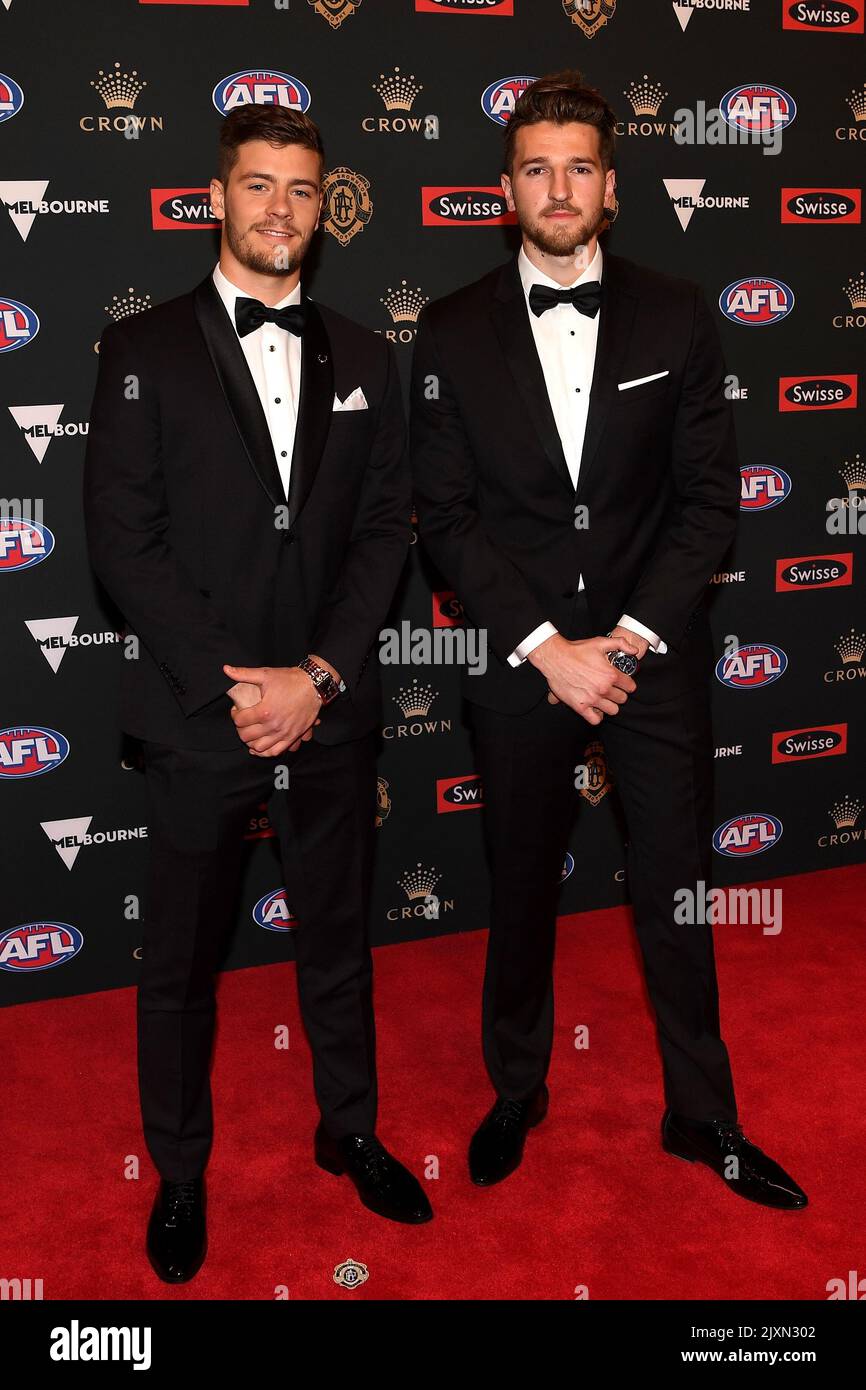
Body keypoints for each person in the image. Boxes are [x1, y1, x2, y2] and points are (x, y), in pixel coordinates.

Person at [409, 71, 807, 1211]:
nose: (558, 188)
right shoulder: (448, 329)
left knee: (678, 892)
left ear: (611, 187)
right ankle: (516, 1088)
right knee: (520, 885)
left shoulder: (676, 312)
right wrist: (548, 647)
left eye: (578, 167)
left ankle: (703, 1116)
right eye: (536, 168)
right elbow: (446, 517)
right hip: (519, 661)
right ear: (505, 191)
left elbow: (709, 503)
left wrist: (624, 643)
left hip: (650, 660)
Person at [83, 103, 430, 1285]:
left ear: (323, 207)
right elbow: (124, 542)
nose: (280, 208)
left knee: (337, 938)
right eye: (258, 185)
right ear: (216, 197)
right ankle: (180, 1170)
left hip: (328, 707)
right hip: (200, 712)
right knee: (181, 964)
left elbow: (384, 532)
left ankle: (350, 1130)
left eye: (301, 189)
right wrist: (239, 685)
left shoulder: (366, 355)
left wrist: (316, 677)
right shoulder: (141, 350)